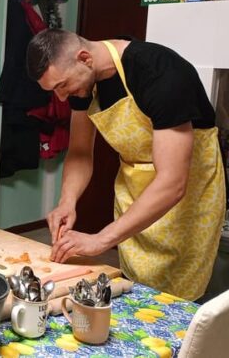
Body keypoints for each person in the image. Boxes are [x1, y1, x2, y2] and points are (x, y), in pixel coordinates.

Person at [27, 28, 225, 300]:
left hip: (186, 200)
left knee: (180, 303)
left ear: (84, 58)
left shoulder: (160, 74)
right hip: (134, 193)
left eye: (61, 86)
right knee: (136, 293)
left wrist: (102, 239)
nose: (61, 97)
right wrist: (67, 201)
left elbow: (173, 183)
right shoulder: (83, 83)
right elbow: (81, 151)